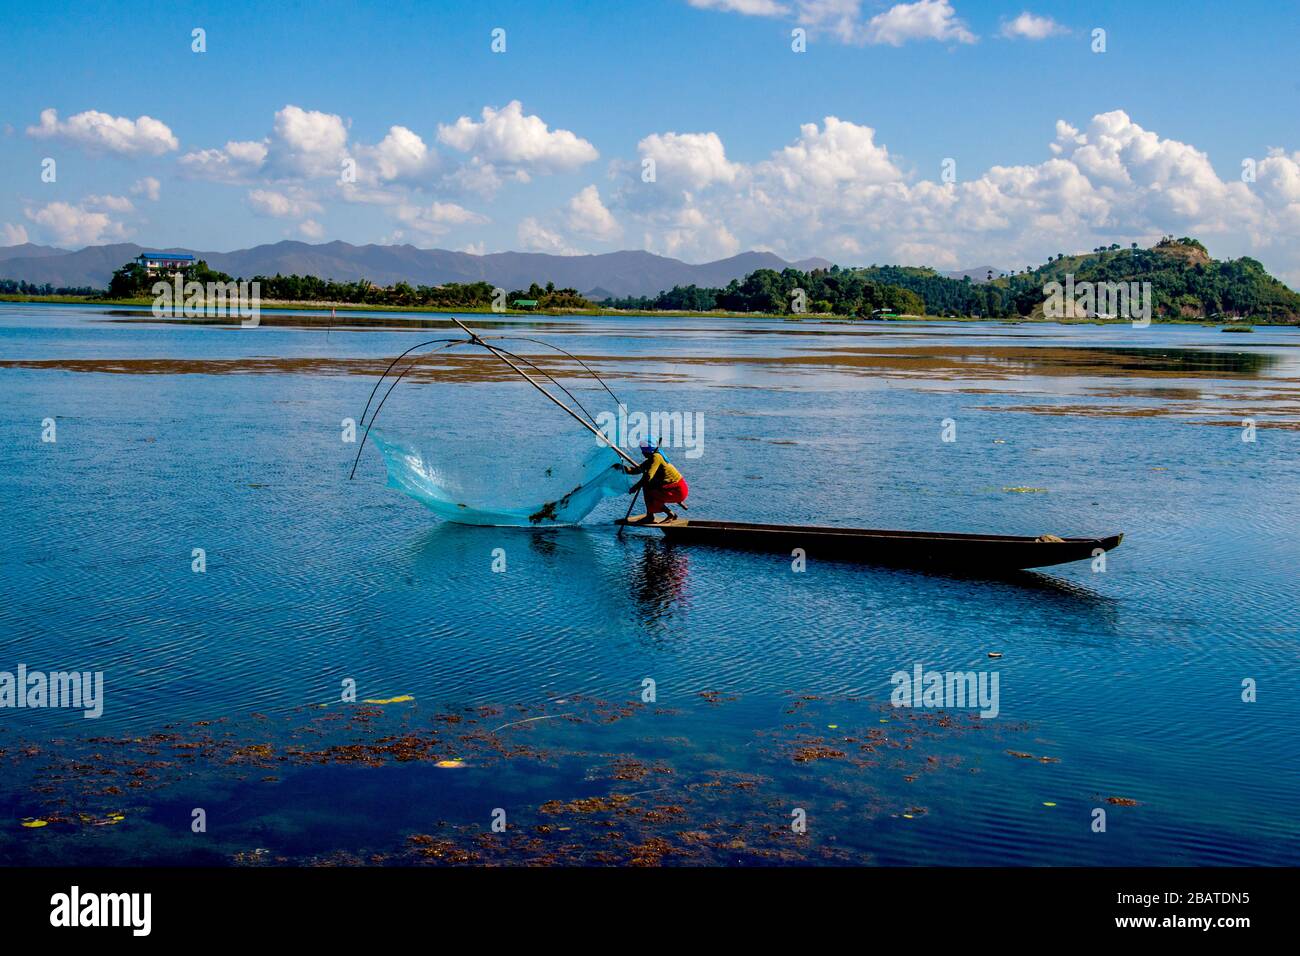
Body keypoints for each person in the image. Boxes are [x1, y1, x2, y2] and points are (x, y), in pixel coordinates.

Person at [625, 439, 688, 522]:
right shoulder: (652, 459)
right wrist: (621, 467)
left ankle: (656, 516)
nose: (642, 453)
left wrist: (635, 487)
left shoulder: (656, 457)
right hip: (675, 489)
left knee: (647, 487)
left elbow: (648, 477)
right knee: (649, 485)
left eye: (644, 451)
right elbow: (635, 471)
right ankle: (661, 514)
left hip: (677, 490)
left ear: (648, 451)